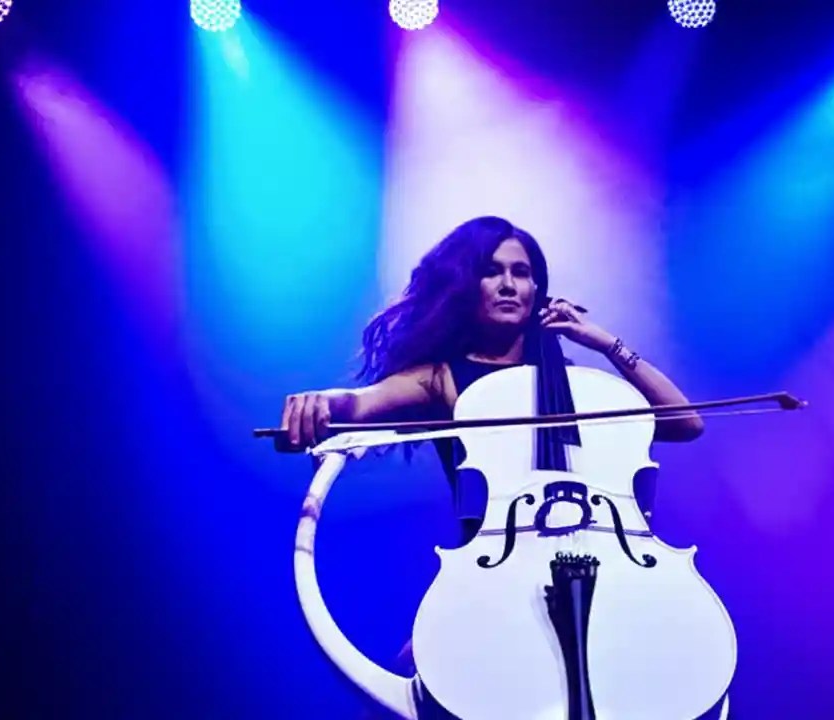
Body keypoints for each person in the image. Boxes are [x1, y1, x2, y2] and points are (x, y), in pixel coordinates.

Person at [276, 215, 706, 715]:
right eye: (491, 271)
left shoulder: (581, 387)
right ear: (466, 284)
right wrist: (319, 402)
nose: (508, 284)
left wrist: (604, 343)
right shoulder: (442, 377)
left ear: (537, 287)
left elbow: (686, 422)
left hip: (605, 572)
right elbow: (360, 403)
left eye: (521, 272)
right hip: (494, 581)